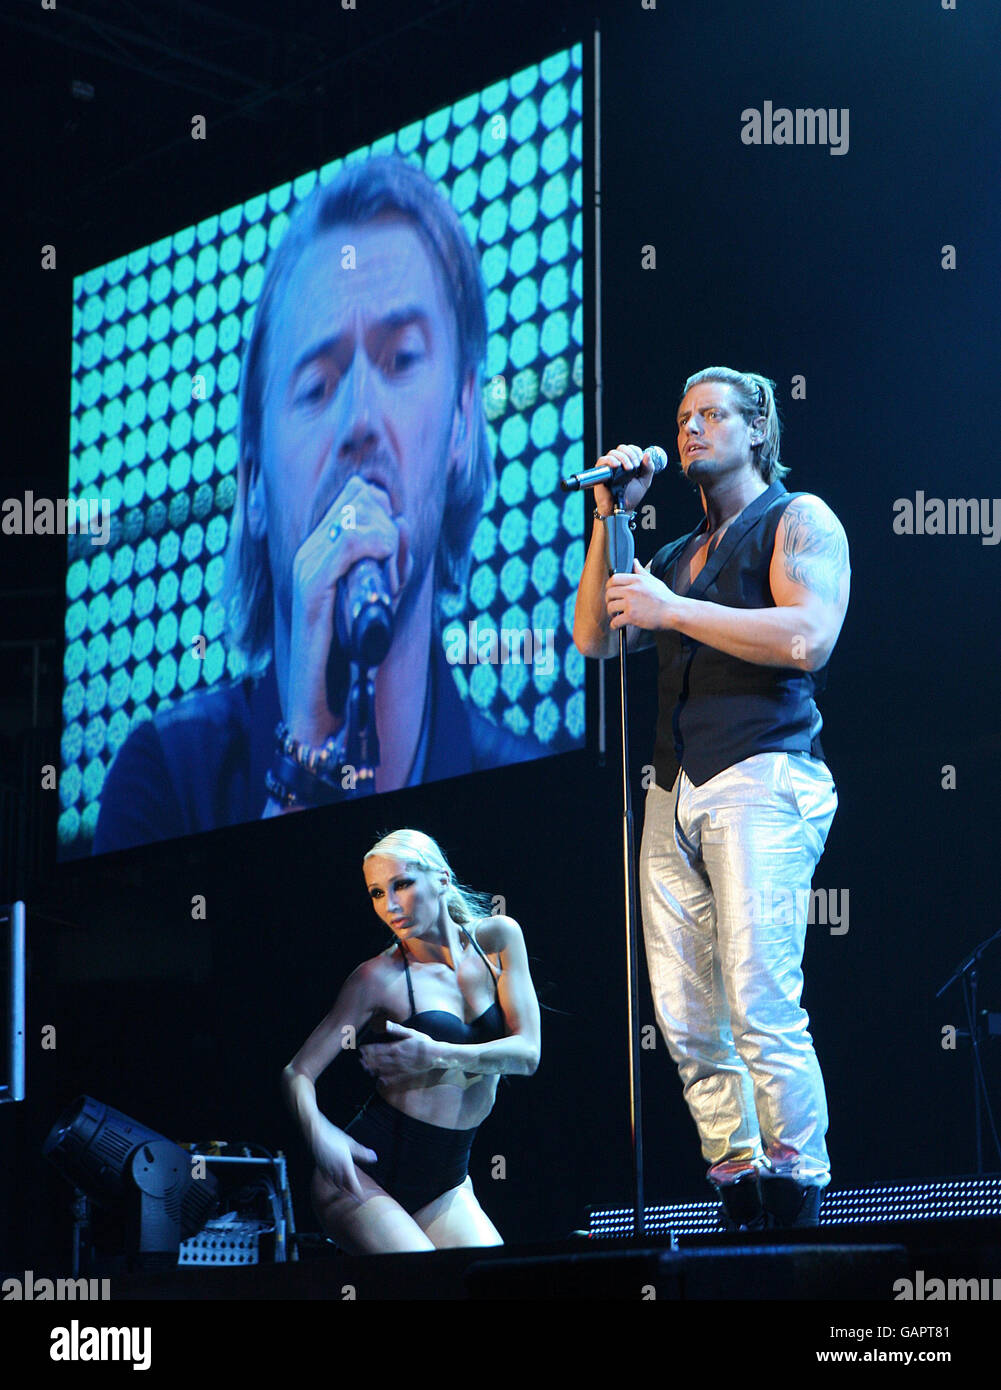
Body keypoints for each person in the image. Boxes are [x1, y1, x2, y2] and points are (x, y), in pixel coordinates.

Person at [94, 157, 539, 853]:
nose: (359, 417)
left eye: (400, 360)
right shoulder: (166, 778)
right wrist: (302, 752)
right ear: (253, 486)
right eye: (316, 385)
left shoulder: (530, 785)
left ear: (460, 420)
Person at [572, 367, 850, 1229]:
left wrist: (673, 612)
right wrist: (610, 516)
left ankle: (797, 1186)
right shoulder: (669, 556)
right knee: (689, 1016)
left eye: (712, 416)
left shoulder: (798, 519)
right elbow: (594, 639)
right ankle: (736, 1181)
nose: (691, 429)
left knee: (758, 995)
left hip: (763, 775)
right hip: (673, 789)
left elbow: (805, 636)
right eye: (683, 416)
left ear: (757, 430)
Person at [281, 829, 541, 1253]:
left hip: (446, 1182)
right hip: (364, 1177)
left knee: (497, 1286)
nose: (391, 905)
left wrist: (434, 1053)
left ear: (441, 878)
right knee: (426, 1285)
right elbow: (297, 1073)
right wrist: (319, 1133)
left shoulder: (498, 939)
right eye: (377, 893)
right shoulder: (376, 977)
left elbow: (527, 1054)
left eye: (401, 884)